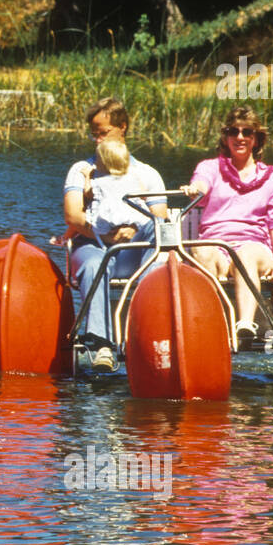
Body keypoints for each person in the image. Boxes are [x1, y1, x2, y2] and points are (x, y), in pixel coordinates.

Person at [61, 97, 168, 372]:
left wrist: (135, 227)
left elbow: (161, 214)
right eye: (94, 134)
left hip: (136, 250)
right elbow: (73, 215)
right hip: (95, 243)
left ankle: (142, 317)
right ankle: (102, 345)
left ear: (123, 128)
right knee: (95, 264)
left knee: (159, 231)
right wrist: (104, 236)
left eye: (104, 133)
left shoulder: (145, 173)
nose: (97, 140)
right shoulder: (83, 170)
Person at [181, 105, 273, 348]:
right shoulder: (210, 168)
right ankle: (208, 327)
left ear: (256, 138)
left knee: (246, 254)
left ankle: (245, 325)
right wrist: (195, 190)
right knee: (202, 251)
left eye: (246, 132)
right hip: (216, 245)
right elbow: (201, 184)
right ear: (225, 136)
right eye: (233, 131)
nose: (239, 137)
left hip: (255, 248)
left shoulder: (271, 179)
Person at [53, 137, 146, 248]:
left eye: (97, 159)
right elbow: (143, 194)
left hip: (109, 219)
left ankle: (65, 238)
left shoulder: (100, 182)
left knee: (86, 211)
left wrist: (88, 176)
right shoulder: (133, 178)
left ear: (103, 163)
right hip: (131, 218)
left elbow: (88, 193)